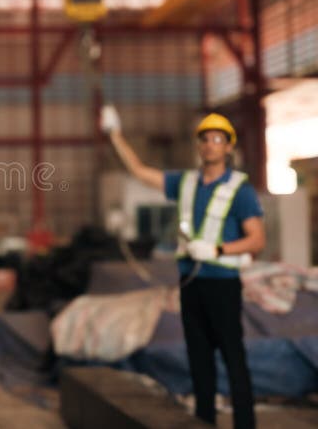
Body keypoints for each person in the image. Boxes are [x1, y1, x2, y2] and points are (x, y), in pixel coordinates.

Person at [100, 105, 264, 429]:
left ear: (228, 146)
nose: (210, 144)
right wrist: (114, 134)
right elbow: (140, 171)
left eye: (218, 139)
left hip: (223, 285)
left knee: (234, 360)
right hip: (192, 286)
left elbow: (257, 239)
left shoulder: (239, 189)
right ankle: (205, 422)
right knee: (199, 362)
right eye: (205, 139)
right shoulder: (186, 183)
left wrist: (216, 248)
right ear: (198, 145)